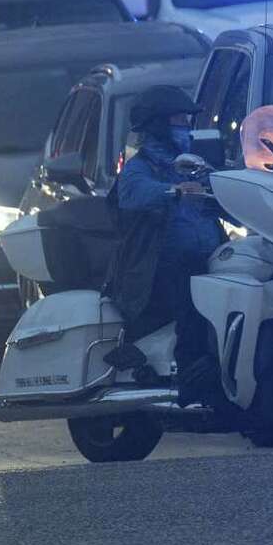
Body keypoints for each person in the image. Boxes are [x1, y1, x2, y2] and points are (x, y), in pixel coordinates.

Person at [103, 85, 224, 398]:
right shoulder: (139, 168)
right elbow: (132, 194)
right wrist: (172, 192)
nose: (186, 127)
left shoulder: (194, 165)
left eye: (187, 120)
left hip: (210, 256)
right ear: (158, 125)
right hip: (154, 271)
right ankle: (191, 375)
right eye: (179, 120)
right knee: (191, 281)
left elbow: (224, 191)